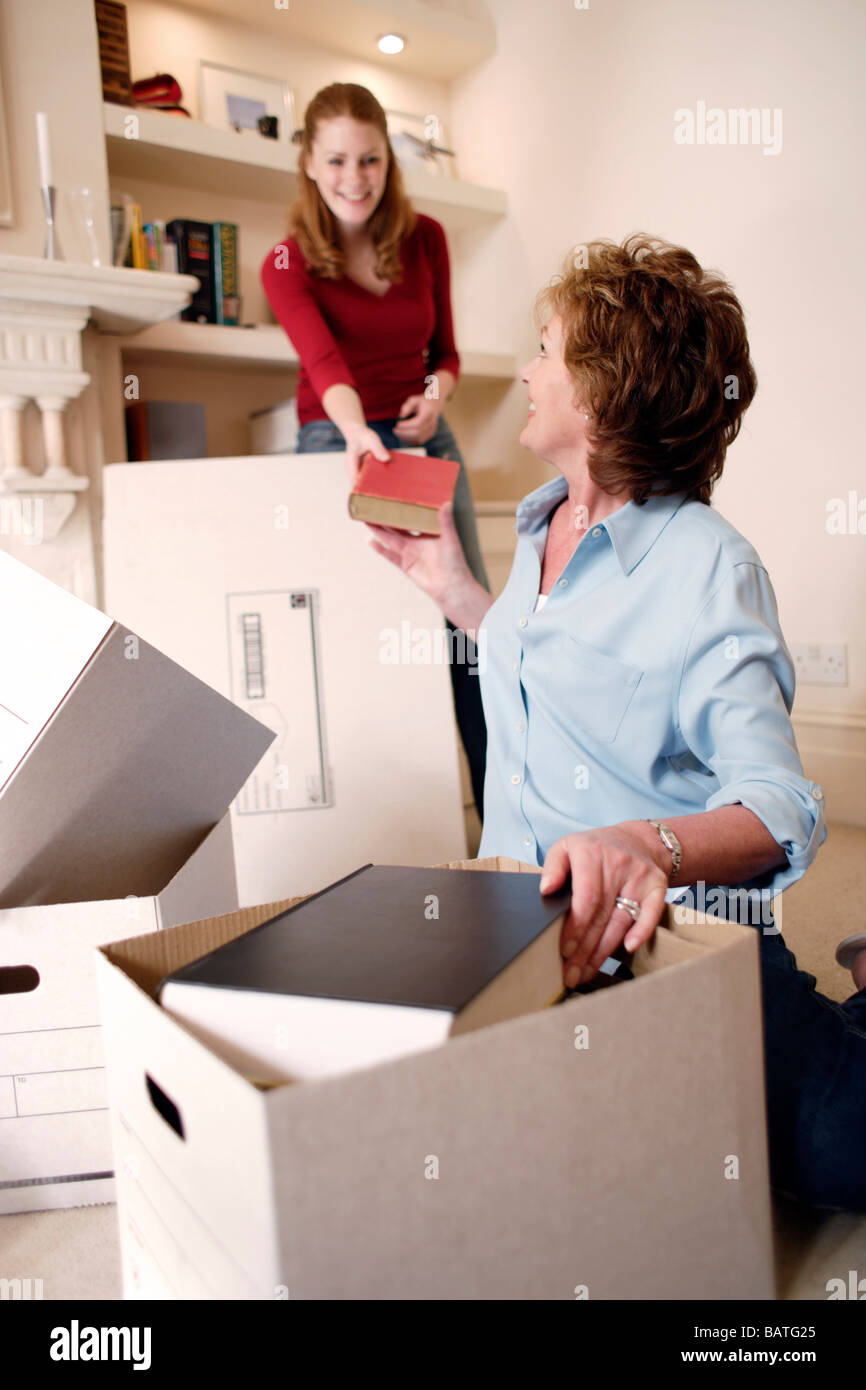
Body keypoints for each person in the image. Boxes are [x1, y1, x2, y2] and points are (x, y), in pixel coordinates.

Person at [365, 233, 866, 1212]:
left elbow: (779, 805)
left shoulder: (708, 567)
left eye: (544, 349)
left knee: (836, 1153)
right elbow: (551, 671)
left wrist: (646, 843)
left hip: (681, 936)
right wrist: (460, 594)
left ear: (603, 387)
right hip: (522, 932)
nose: (524, 370)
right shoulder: (540, 521)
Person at [260, 82, 488, 816]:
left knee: (467, 623)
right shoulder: (285, 262)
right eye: (336, 160)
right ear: (306, 162)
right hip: (337, 432)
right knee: (360, 628)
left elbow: (445, 353)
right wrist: (362, 432)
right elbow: (326, 368)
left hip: (423, 432)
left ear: (389, 159)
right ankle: (383, 821)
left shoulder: (427, 240)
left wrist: (437, 394)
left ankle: (500, 817)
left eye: (369, 160)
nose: (354, 178)